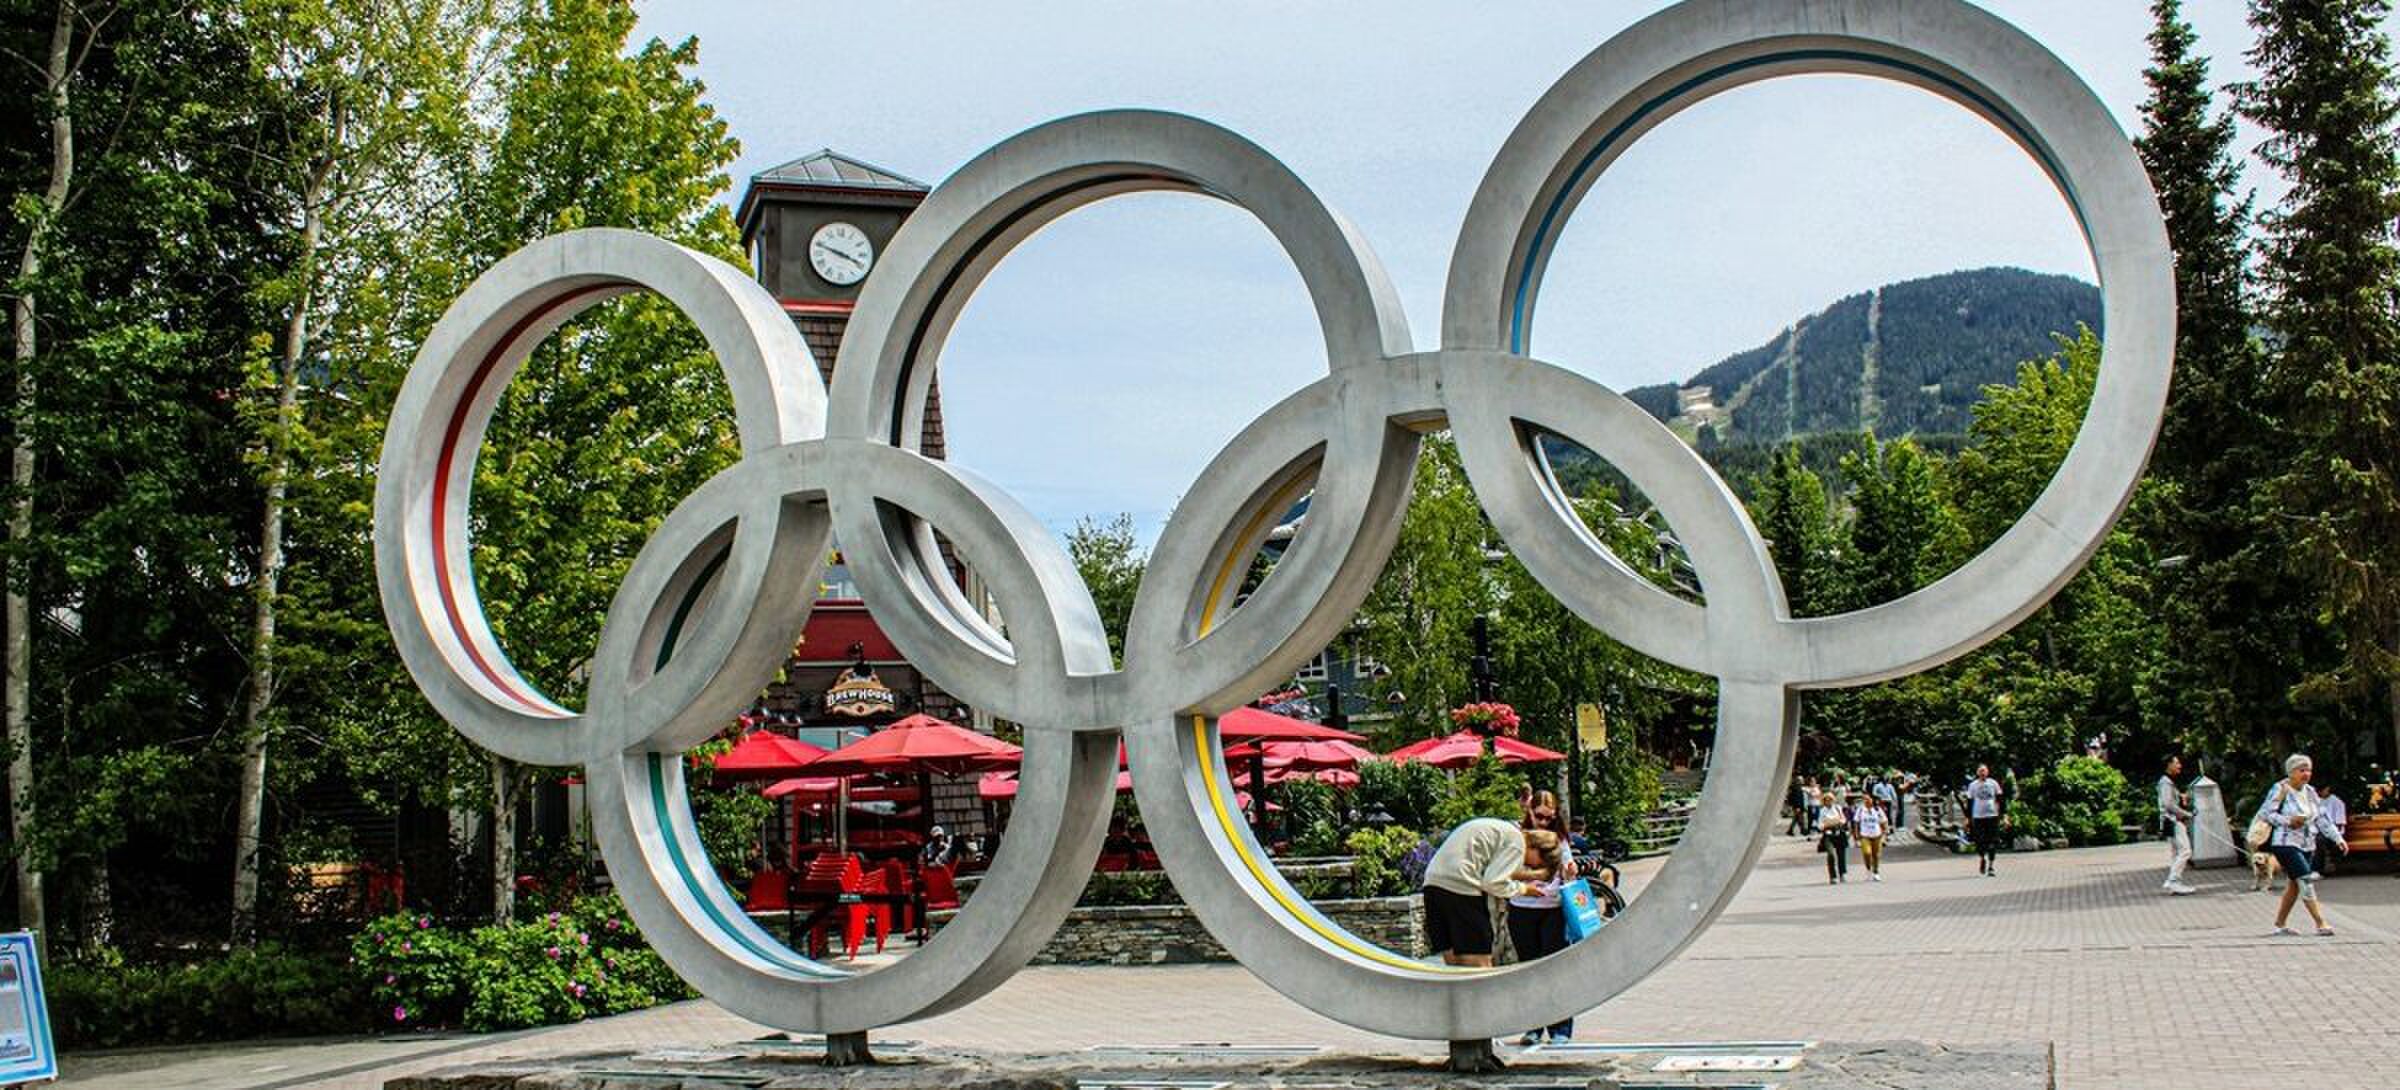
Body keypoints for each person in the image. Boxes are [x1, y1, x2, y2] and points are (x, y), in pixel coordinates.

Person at [1421, 816, 1536, 1071]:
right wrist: (1526, 889)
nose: (1526, 867)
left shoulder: (1498, 829)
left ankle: (1465, 1050)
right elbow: (1493, 882)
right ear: (1536, 850)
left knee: (1454, 969)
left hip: (1433, 884)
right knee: (1478, 968)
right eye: (1535, 865)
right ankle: (1476, 1054)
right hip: (1461, 888)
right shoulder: (1516, 841)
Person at [2255, 754, 2346, 936]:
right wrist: (2288, 821)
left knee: (2294, 884)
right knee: (2305, 879)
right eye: (2301, 770)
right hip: (2285, 842)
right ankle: (2321, 923)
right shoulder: (2280, 789)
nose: (2306, 774)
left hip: (2307, 843)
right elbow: (2266, 813)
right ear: (2291, 772)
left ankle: (2280, 924)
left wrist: (2337, 838)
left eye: (2308, 770)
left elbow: (2321, 817)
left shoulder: (2310, 791)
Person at [1505, 829, 1577, 1045]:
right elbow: (1504, 874)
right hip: (1522, 909)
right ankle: (1533, 1026)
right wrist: (1530, 881)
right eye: (1539, 815)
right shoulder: (1518, 846)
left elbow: (1570, 874)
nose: (1544, 820)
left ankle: (1560, 1029)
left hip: (1552, 910)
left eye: (1548, 816)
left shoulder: (1559, 842)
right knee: (1528, 969)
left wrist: (1570, 872)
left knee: (1554, 969)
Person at [2156, 757, 2196, 895]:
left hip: (2169, 821)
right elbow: (2168, 804)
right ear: (2169, 765)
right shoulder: (2165, 783)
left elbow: (2171, 800)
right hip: (2172, 821)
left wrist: (2181, 797)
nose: (2180, 765)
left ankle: (2173, 882)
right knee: (2185, 851)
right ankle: (2173, 881)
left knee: (2176, 852)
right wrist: (2186, 814)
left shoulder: (2168, 782)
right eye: (2177, 763)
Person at [1966, 765, 2004, 877]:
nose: (1982, 773)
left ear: (1988, 772)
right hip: (1978, 816)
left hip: (1992, 815)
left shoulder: (1993, 783)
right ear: (1978, 773)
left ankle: (1991, 866)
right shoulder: (1973, 785)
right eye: (1980, 771)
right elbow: (1969, 802)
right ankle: (1982, 858)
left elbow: (2000, 799)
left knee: (1993, 841)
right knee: (1980, 841)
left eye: (1984, 771)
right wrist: (1967, 818)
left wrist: (2003, 815)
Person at [1816, 789, 1850, 884]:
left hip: (1839, 832)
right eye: (1826, 800)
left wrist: (1839, 821)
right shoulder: (1822, 811)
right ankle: (1833, 876)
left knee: (1841, 854)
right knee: (1831, 854)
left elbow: (1843, 819)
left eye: (1830, 799)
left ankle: (1842, 874)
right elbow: (1820, 824)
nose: (1828, 801)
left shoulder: (1838, 808)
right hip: (1828, 834)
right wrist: (1826, 825)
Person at [1852, 792, 1887, 881]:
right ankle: (1868, 869)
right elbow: (1856, 822)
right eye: (1864, 799)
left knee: (1876, 855)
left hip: (1877, 835)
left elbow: (1884, 822)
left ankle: (1876, 872)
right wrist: (1856, 834)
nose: (1866, 801)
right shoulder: (1860, 810)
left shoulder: (1878, 810)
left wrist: (1885, 834)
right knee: (1867, 853)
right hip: (1865, 835)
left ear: (1872, 800)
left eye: (1868, 799)